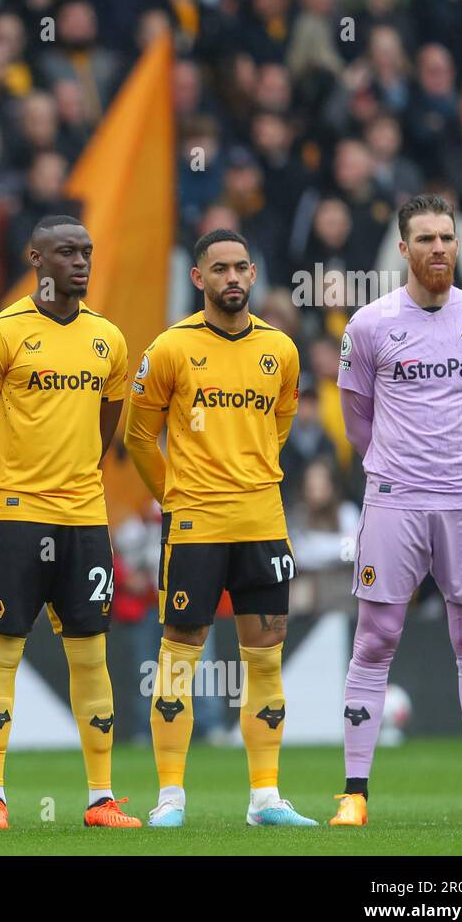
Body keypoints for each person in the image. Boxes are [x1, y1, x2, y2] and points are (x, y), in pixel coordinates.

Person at [333, 194, 462, 826]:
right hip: (396, 499)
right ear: (403, 249)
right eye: (425, 239)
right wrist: (399, 470)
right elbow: (357, 422)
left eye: (447, 238)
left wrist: (454, 467)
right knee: (376, 637)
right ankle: (354, 794)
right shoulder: (369, 325)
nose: (440, 249)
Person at [125, 227, 316, 828]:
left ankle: (265, 798)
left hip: (263, 523)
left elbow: (277, 426)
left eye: (241, 267)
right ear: (198, 278)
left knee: (265, 660)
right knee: (178, 658)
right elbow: (137, 435)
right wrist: (175, 497)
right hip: (195, 529)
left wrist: (248, 474)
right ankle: (170, 798)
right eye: (220, 269)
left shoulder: (280, 350)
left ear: (253, 274)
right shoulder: (171, 348)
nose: (232, 278)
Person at [0, 215, 139, 830]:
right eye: (67, 252)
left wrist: (74, 476)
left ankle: (100, 798)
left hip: (86, 519)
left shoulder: (108, 339)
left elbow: (106, 427)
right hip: (17, 519)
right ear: (37, 259)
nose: (80, 262)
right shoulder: (1, 334)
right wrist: (2, 494)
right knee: (3, 650)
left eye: (86, 251)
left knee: (90, 657)